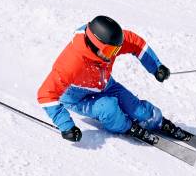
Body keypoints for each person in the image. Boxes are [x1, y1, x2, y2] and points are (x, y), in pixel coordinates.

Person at [37, 15, 186, 143]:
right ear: (94, 45)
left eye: (116, 49)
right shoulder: (72, 62)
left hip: (105, 85)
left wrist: (156, 67)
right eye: (110, 51)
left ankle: (157, 121)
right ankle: (127, 127)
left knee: (138, 110)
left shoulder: (110, 45)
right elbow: (46, 94)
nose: (113, 54)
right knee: (109, 108)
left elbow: (136, 43)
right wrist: (66, 126)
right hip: (77, 98)